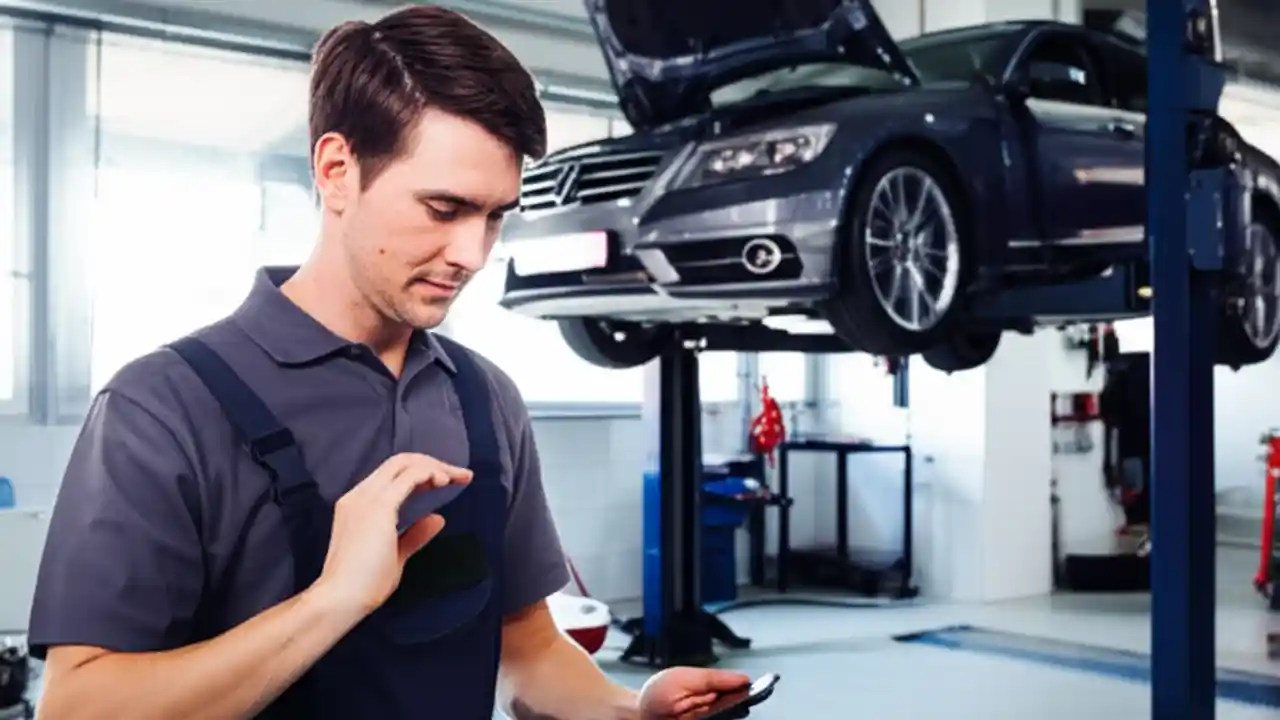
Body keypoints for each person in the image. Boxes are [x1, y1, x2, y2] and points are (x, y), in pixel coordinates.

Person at [27, 5, 750, 718]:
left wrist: (629, 711)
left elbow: (524, 646)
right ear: (337, 169)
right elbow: (78, 707)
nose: (473, 253)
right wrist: (332, 601)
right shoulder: (163, 407)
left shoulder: (484, 398)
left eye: (495, 215)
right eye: (444, 208)